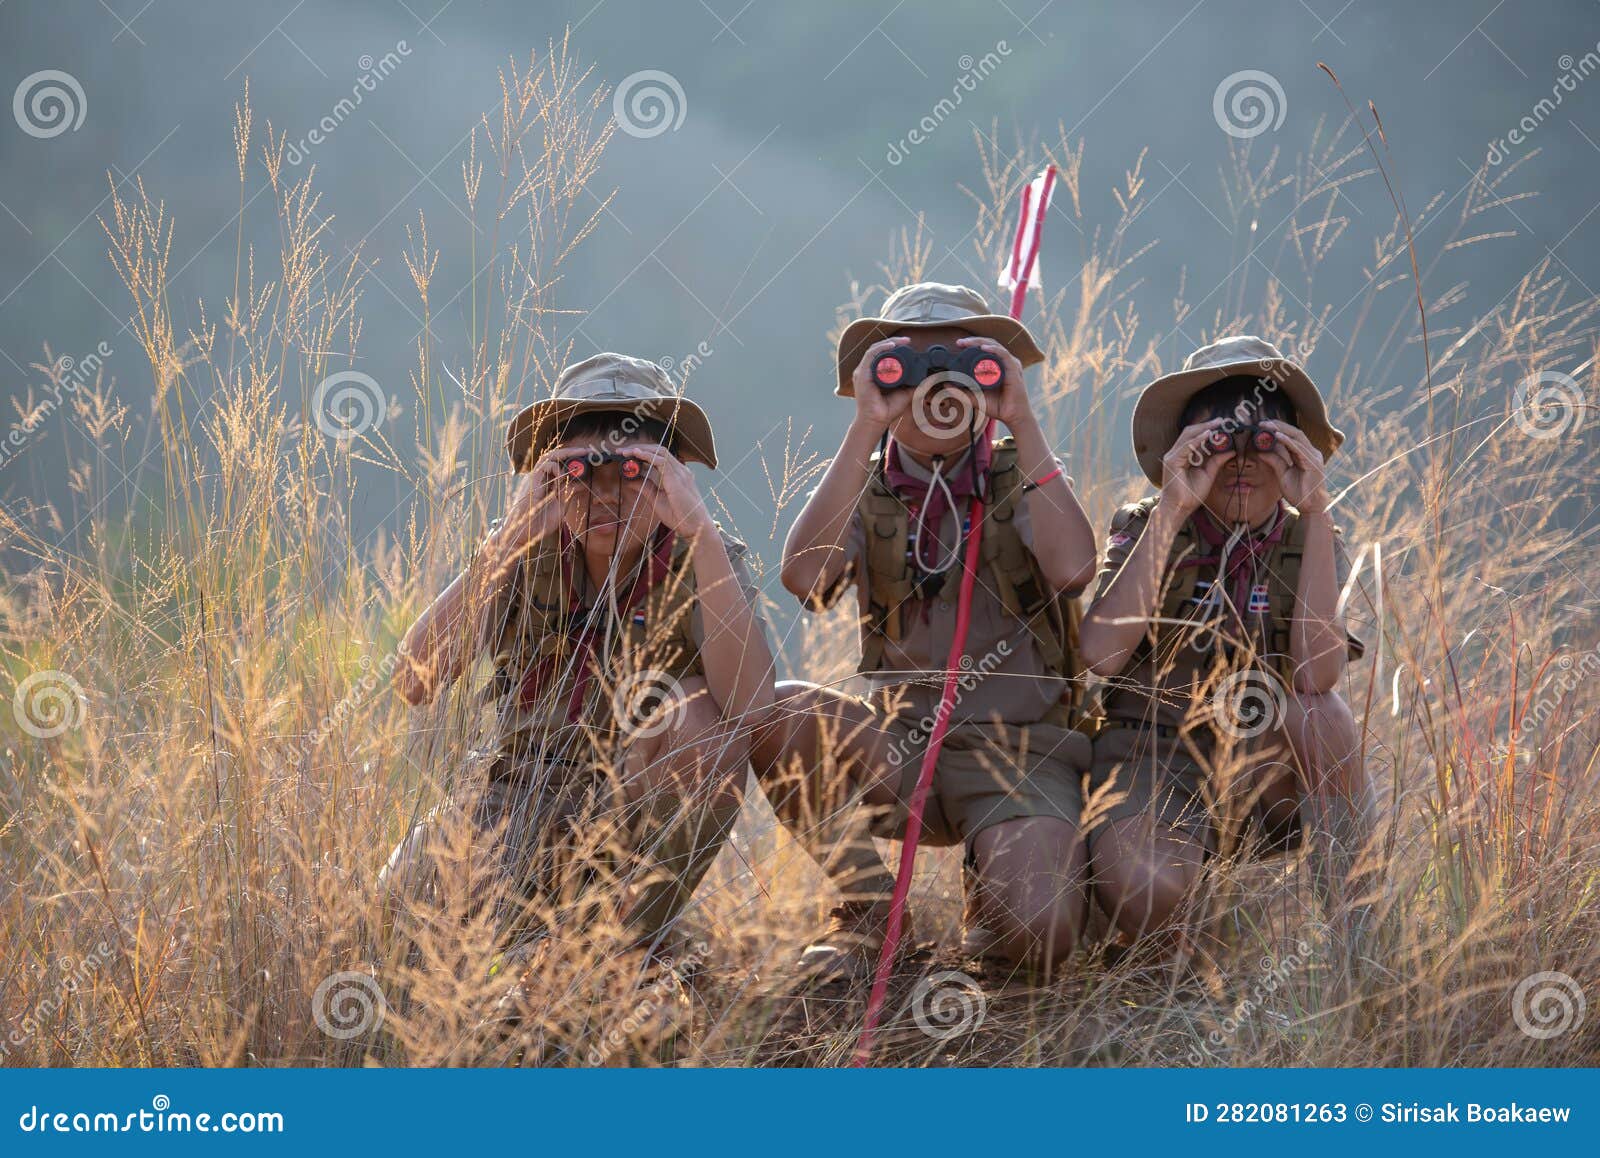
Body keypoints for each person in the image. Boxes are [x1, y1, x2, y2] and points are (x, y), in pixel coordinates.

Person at [751, 282, 1099, 979]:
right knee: (780, 709)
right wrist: (865, 428)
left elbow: (1073, 570)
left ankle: (995, 887)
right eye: (905, 367)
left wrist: (1022, 425)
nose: (931, 387)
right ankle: (871, 909)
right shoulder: (866, 486)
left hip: (1022, 757)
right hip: (906, 748)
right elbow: (804, 580)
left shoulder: (1020, 477)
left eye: (955, 365)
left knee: (1041, 936)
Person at [381, 352, 774, 966]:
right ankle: (547, 951)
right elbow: (413, 679)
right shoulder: (520, 552)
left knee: (703, 729)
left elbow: (751, 709)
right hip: (517, 798)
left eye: (633, 472)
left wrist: (699, 533)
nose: (606, 494)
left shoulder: (704, 558)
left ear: (671, 477)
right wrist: (509, 538)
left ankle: (627, 949)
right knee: (388, 915)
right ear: (550, 477)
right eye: (582, 474)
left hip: (629, 809)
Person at [1076, 335, 1376, 969]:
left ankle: (1358, 936)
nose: (1240, 460)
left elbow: (1316, 676)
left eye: (1264, 441)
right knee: (1149, 892)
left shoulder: (1308, 538)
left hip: (1258, 760)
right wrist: (1173, 505)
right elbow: (1102, 655)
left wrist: (1316, 511)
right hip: (1150, 755)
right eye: (1218, 441)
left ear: (1295, 449)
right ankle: (1169, 923)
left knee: (1323, 717)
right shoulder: (1145, 525)